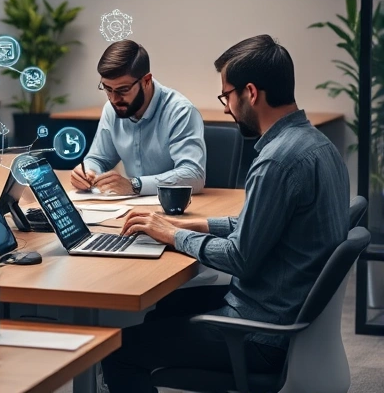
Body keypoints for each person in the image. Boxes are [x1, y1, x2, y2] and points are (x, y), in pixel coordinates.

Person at [102, 35, 349, 392]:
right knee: (164, 307)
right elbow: (262, 226)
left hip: (260, 333)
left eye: (226, 95)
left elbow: (240, 257)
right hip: (285, 310)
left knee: (116, 349)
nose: (225, 107)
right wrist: (188, 223)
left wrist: (174, 236)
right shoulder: (318, 146)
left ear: (250, 93)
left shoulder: (276, 162)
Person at [70, 40, 206, 196]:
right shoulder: (111, 109)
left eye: (123, 90)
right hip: (130, 208)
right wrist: (87, 172)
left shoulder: (180, 111)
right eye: (108, 89)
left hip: (178, 210)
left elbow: (194, 175)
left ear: (146, 81)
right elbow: (99, 159)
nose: (114, 99)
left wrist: (135, 185)